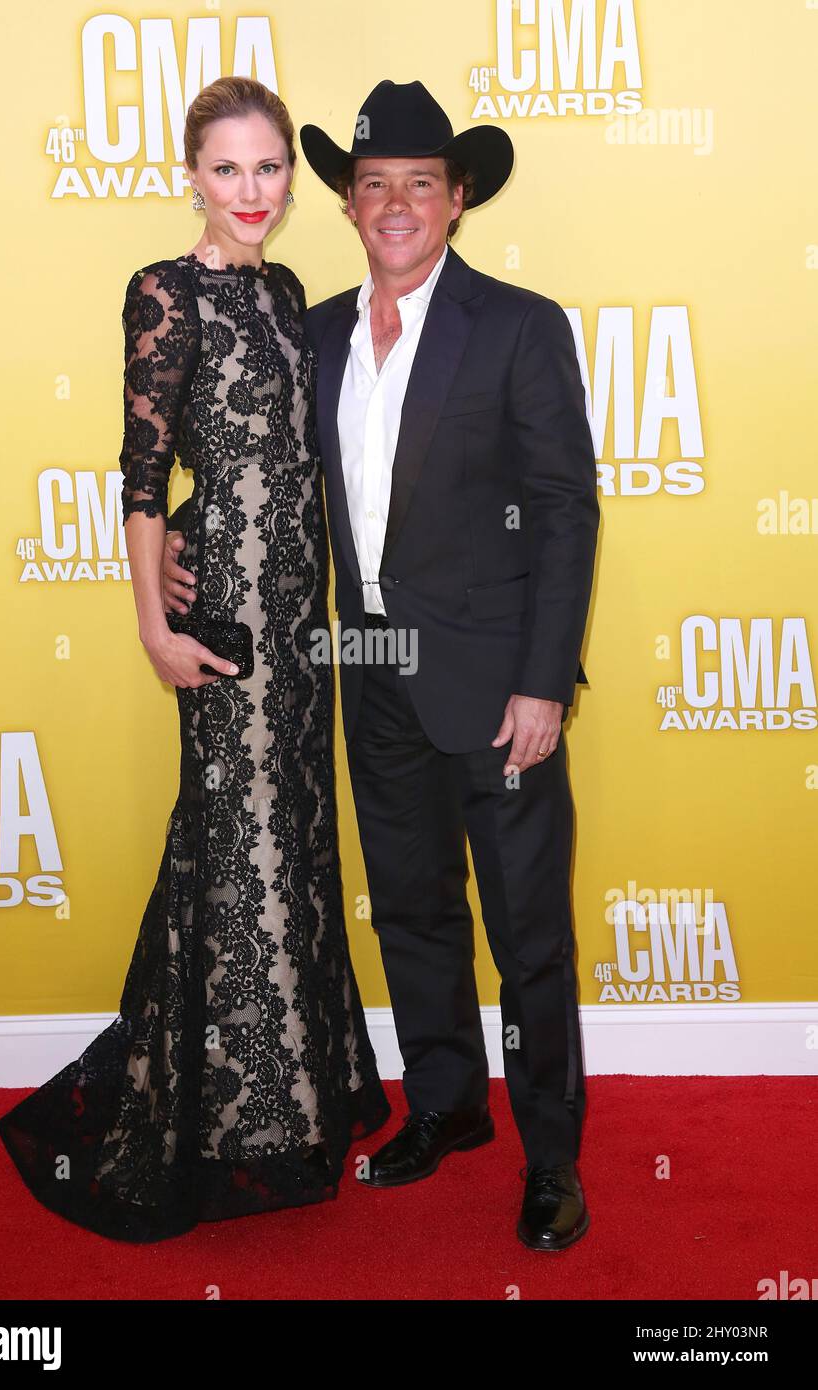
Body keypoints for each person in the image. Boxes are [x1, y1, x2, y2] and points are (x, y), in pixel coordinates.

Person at [164, 79, 599, 1252]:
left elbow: (563, 511)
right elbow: (242, 462)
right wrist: (178, 560)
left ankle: (551, 1156)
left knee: (526, 932)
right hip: (370, 670)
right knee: (410, 908)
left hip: (499, 684)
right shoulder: (312, 333)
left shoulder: (518, 325)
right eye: (372, 186)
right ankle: (446, 1105)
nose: (395, 204)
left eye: (419, 183)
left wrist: (542, 681)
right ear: (346, 205)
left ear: (455, 199)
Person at [0, 76, 390, 1244]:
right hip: (221, 610)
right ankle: (225, 1116)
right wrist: (152, 618)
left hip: (297, 607)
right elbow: (140, 469)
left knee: (289, 837)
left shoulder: (286, 290)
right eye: (229, 169)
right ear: (192, 176)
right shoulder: (162, 293)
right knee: (230, 842)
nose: (253, 191)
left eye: (269, 167)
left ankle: (291, 1094)